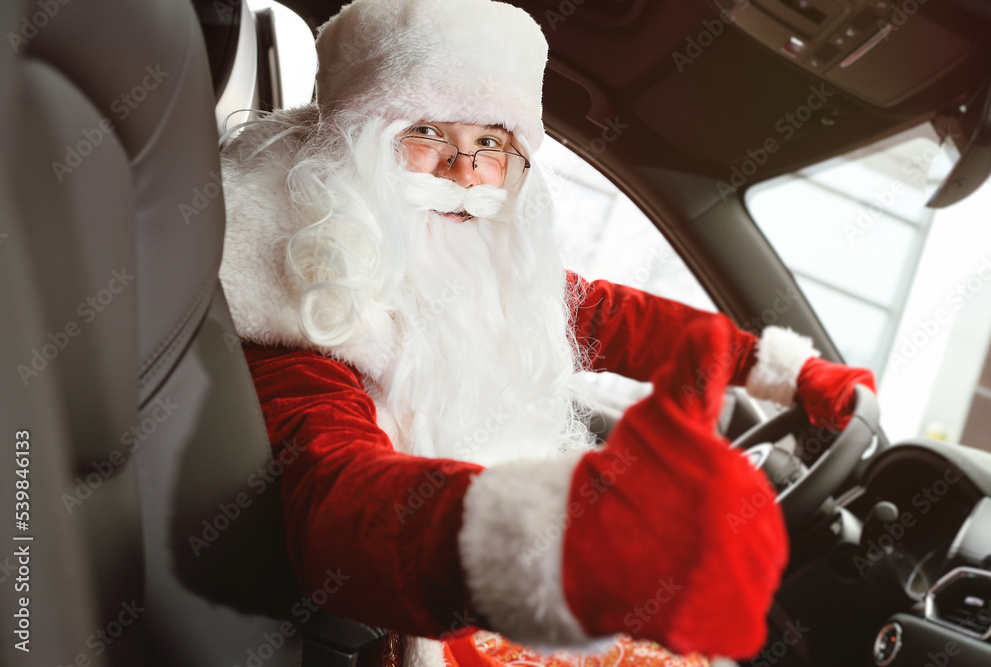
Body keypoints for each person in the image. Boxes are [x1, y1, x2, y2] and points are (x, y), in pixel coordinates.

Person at [217, 0, 875, 665]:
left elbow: (616, 316)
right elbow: (336, 501)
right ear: (355, 144)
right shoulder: (303, 311)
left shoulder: (471, 268)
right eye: (427, 131)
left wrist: (782, 369)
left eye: (490, 143)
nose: (467, 172)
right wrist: (553, 540)